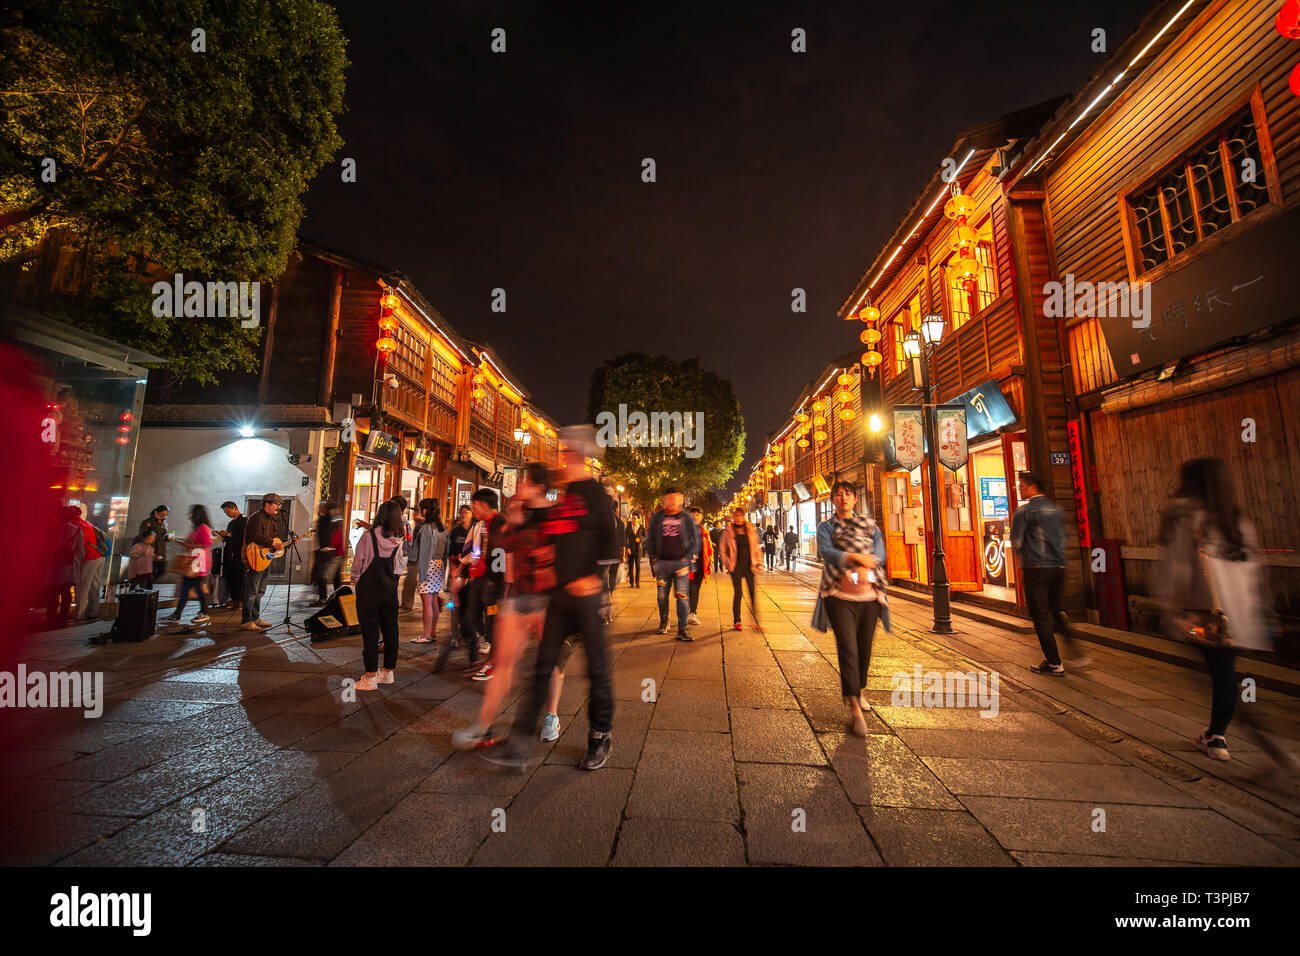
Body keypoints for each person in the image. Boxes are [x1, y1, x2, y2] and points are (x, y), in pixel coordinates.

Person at [486, 425, 618, 772]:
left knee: (597, 669)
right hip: (557, 597)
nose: (560, 458)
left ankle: (600, 734)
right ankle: (520, 742)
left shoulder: (596, 495)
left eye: (564, 452)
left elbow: (612, 544)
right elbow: (550, 524)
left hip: (586, 597)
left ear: (577, 456)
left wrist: (593, 578)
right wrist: (525, 509)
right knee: (543, 666)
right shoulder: (561, 493)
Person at [1154, 457, 1294, 773]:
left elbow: (1174, 567)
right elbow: (1255, 568)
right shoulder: (1235, 518)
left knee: (1217, 674)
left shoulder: (1182, 515)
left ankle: (1255, 743)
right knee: (1224, 674)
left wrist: (1169, 606)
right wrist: (1264, 610)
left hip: (1201, 616)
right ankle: (1218, 735)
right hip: (1239, 612)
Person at [454, 463, 556, 749]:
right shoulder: (516, 514)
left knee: (551, 665)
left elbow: (554, 556)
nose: (518, 487)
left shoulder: (553, 515)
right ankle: (483, 725)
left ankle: (551, 715)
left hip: (548, 599)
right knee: (504, 662)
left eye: (523, 483)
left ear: (537, 487)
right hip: (519, 595)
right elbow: (505, 550)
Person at [814, 481, 887, 737]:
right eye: (838, 494)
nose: (843, 498)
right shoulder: (826, 527)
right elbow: (827, 553)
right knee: (848, 647)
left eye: (847, 494)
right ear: (832, 500)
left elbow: (880, 553)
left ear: (855, 499)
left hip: (869, 596)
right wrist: (855, 558)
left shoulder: (870, 526)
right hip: (838, 595)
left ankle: (860, 689)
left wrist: (870, 561)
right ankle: (855, 708)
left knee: (864, 648)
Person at [1010, 471, 1086, 675]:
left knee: (1041, 616)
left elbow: (1017, 542)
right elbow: (1065, 537)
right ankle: (1077, 654)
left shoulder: (1024, 512)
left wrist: (1022, 560)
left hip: (1036, 568)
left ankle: (1054, 663)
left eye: (1022, 486)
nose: (1021, 490)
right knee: (1056, 611)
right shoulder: (1056, 510)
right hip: (1058, 567)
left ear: (1031, 487)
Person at [351, 499, 405, 691]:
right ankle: (388, 671)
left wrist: (355, 578)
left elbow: (359, 560)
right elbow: (399, 566)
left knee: (370, 633)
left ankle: (370, 676)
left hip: (369, 589)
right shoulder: (399, 538)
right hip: (389, 589)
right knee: (391, 631)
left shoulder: (369, 536)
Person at [645, 488, 699, 641]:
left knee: (682, 597)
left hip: (680, 565)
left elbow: (696, 541)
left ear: (680, 501)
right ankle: (664, 621)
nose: (671, 503)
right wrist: (653, 560)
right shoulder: (657, 518)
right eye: (669, 499)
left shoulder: (686, 518)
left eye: (675, 500)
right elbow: (650, 540)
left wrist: (686, 559)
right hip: (662, 564)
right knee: (662, 596)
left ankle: (682, 628)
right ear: (664, 500)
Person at [465, 488, 508, 680]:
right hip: (483, 579)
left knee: (494, 623)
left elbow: (499, 552)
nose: (473, 508)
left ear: (483, 505)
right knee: (471, 616)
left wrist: (495, 580)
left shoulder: (498, 523)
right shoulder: (483, 524)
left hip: (493, 583)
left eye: (474, 505)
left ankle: (494, 663)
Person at [434, 505, 475, 671]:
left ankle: (466, 639)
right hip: (457, 574)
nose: (464, 515)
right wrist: (453, 572)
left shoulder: (476, 529)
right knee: (456, 607)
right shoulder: (456, 532)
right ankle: (456, 636)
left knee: (467, 612)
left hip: (470, 575)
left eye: (467, 512)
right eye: (462, 512)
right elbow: (450, 553)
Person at [240, 492, 284, 631]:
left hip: (265, 558)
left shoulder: (272, 519)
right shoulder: (256, 518)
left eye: (279, 504)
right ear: (267, 504)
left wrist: (278, 543)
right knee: (252, 590)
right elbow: (255, 536)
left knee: (260, 590)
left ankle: (255, 617)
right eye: (276, 504)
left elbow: (274, 538)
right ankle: (246, 620)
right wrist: (272, 542)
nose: (278, 506)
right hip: (255, 557)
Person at [167, 505, 213, 627]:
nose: (190, 515)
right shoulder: (196, 528)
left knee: (197, 588)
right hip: (192, 562)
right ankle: (177, 614)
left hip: (199, 563)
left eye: (192, 513)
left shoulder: (203, 528)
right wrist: (185, 543)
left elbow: (206, 544)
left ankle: (203, 612)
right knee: (186, 588)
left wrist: (190, 545)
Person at [410, 498, 448, 644]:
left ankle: (426, 634)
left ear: (425, 511)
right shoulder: (442, 528)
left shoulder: (425, 529)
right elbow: (446, 551)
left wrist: (423, 573)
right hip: (439, 565)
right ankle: (432, 632)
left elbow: (424, 552)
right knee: (433, 601)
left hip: (428, 565)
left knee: (427, 603)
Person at [719, 507, 762, 630]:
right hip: (735, 567)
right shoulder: (728, 531)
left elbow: (756, 548)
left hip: (749, 566)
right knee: (738, 593)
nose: (737, 518)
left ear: (744, 517)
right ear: (733, 517)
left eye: (740, 516)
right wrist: (727, 563)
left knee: (752, 592)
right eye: (735, 516)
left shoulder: (750, 530)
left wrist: (758, 562)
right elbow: (722, 549)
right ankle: (737, 621)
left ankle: (756, 620)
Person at [48, 506, 84, 628]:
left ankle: (51, 617)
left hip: (54, 567)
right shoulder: (77, 531)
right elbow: (81, 551)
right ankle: (62, 618)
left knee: (53, 593)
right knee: (66, 592)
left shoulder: (51, 530)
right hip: (70, 567)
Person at [75, 506, 108, 621]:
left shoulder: (78, 526)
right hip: (99, 556)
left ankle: (80, 613)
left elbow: (80, 547)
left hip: (89, 558)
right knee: (94, 585)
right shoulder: (87, 524)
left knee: (83, 585)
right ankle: (93, 611)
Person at [309, 500, 342, 606]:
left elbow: (330, 533)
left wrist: (327, 546)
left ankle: (324, 598)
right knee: (328, 576)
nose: (319, 508)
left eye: (321, 506)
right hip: (327, 550)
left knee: (321, 575)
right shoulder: (328, 519)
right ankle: (336, 598)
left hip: (328, 551)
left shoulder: (329, 519)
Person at [215, 501, 247, 609]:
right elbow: (229, 536)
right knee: (231, 577)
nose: (227, 515)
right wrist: (221, 535)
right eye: (225, 513)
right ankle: (233, 599)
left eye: (228, 512)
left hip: (239, 554)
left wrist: (228, 534)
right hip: (230, 554)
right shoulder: (231, 523)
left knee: (239, 577)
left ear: (234, 508)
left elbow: (242, 536)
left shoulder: (244, 520)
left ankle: (240, 600)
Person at [687, 506, 712, 625]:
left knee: (695, 589)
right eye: (693, 515)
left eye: (698, 515)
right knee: (688, 589)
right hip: (686, 565)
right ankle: (688, 612)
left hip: (700, 565)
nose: (695, 517)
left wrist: (708, 564)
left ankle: (692, 612)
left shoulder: (704, 531)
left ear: (701, 517)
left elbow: (709, 549)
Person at [140, 505, 171, 583]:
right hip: (151, 550)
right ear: (156, 512)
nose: (164, 516)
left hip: (161, 551)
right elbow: (144, 535)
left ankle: (146, 584)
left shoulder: (163, 523)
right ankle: (146, 587)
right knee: (151, 571)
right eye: (162, 514)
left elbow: (164, 534)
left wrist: (168, 538)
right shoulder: (148, 522)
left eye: (165, 515)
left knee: (162, 570)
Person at [625, 515, 643, 588]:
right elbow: (625, 537)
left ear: (638, 519)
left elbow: (645, 536)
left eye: (634, 518)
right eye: (632, 518)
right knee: (631, 567)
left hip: (638, 550)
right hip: (630, 550)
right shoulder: (628, 527)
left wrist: (640, 540)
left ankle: (637, 583)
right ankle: (632, 583)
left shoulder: (641, 527)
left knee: (638, 566)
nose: (633, 520)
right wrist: (627, 548)